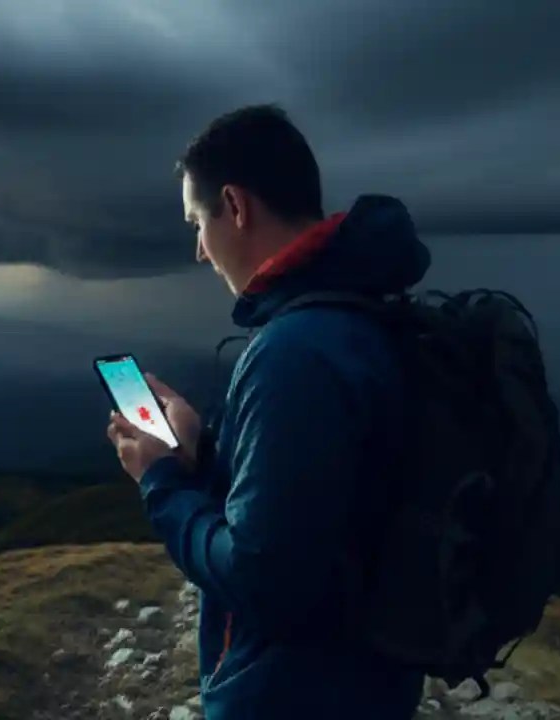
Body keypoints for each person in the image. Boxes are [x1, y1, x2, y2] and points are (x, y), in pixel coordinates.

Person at [106, 104, 429, 719]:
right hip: (368, 684)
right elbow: (315, 516)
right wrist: (201, 458)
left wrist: (161, 478)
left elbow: (264, 582)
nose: (200, 250)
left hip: (292, 696)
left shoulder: (295, 353)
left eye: (197, 222)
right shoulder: (368, 313)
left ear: (235, 206)